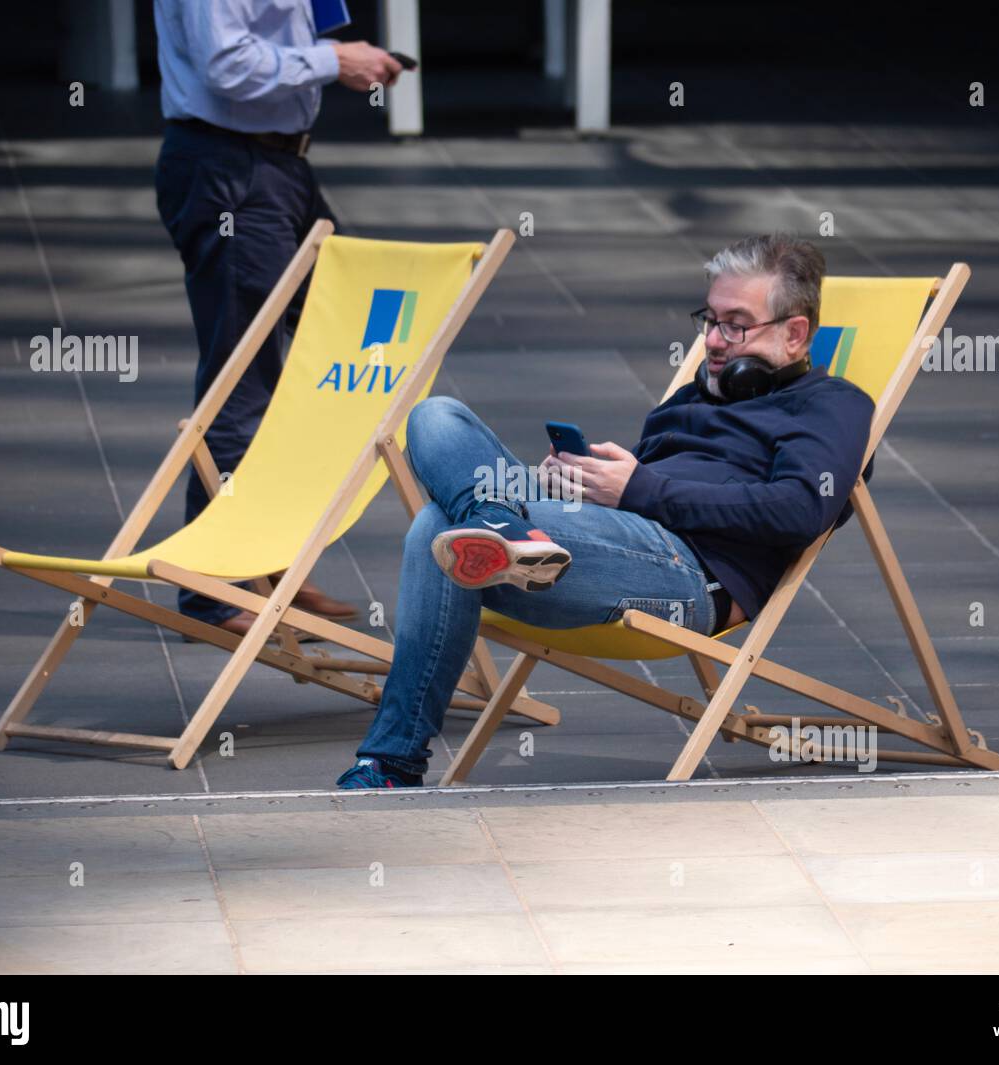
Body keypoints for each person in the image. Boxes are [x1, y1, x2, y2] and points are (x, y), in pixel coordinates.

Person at [336, 233, 879, 789]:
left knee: (436, 525)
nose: (714, 341)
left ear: (795, 334)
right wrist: (577, 482)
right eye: (710, 319)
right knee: (437, 414)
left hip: (691, 575)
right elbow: (636, 493)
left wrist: (639, 490)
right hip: (612, 540)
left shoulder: (831, 405)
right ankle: (501, 520)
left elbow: (800, 509)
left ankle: (392, 761)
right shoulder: (695, 396)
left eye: (736, 324)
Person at [153, 0, 404, 637]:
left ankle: (262, 560)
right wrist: (333, 59)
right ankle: (212, 586)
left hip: (280, 167)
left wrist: (343, 57)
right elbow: (225, 65)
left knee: (355, 335)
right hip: (229, 169)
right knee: (244, 376)